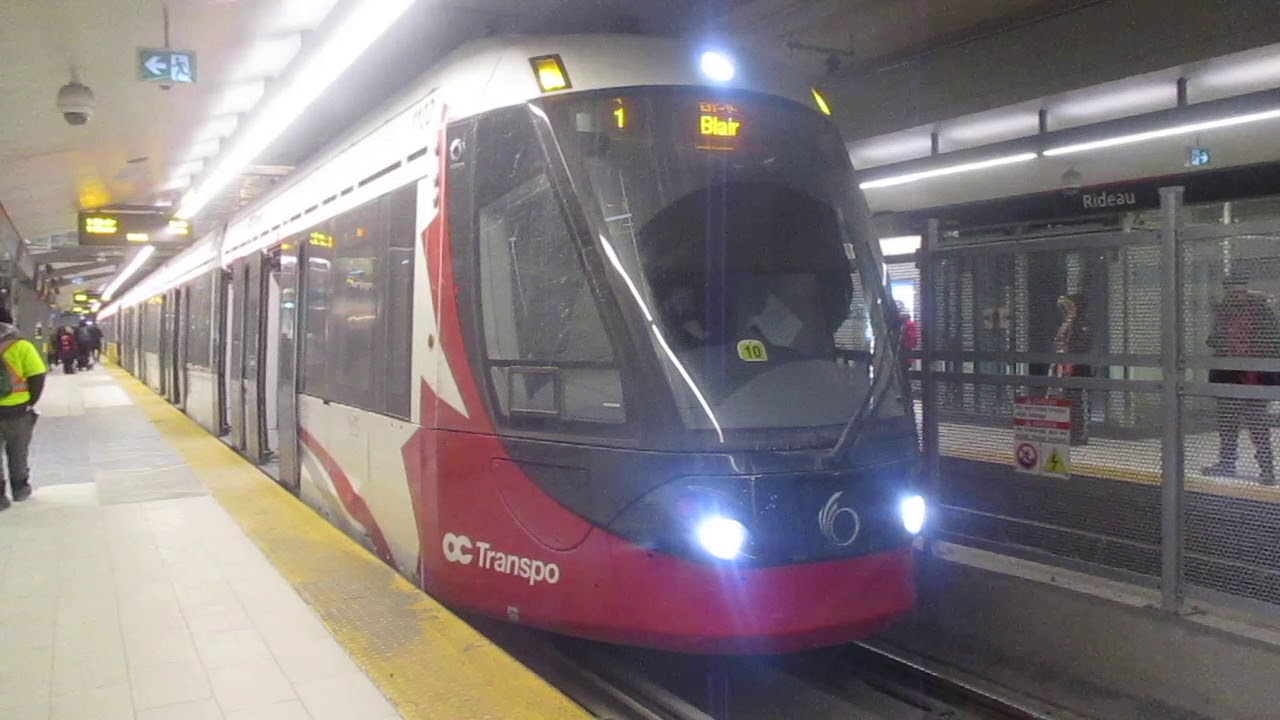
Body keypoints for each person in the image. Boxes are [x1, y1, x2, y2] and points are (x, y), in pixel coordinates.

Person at [1203, 275, 1280, 484]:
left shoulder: (1261, 311)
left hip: (1253, 374)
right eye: (1234, 293)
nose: (1238, 297)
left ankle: (1267, 468)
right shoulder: (1224, 312)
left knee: (1256, 421)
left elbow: (1274, 339)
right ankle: (1227, 462)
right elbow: (1214, 338)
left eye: (1241, 292)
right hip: (1229, 372)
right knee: (1227, 420)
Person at [0, 307, 47, 511]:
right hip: (17, 410)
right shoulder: (21, 346)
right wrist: (30, 402)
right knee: (18, 451)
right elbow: (37, 375)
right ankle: (20, 489)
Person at [1050, 293, 1092, 445]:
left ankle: (1078, 434)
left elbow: (1081, 346)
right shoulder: (1066, 324)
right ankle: (1064, 431)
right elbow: (1058, 342)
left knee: (1076, 400)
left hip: (1077, 368)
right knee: (1061, 399)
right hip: (1062, 367)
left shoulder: (1082, 325)